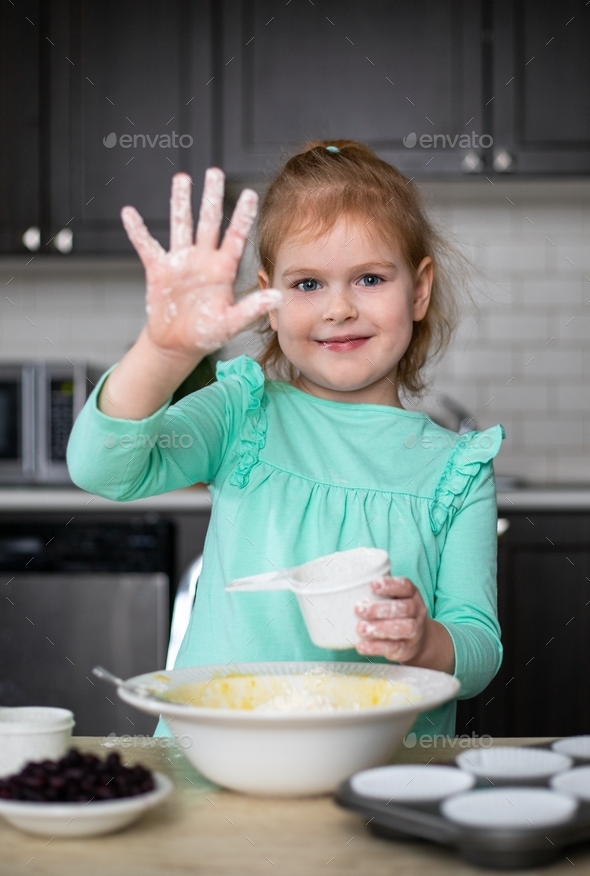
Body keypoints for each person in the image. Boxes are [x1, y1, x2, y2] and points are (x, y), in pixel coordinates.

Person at [67, 140, 505, 738]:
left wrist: (426, 640)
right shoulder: (241, 414)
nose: (338, 309)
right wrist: (164, 351)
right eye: (307, 285)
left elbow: (479, 646)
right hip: (217, 761)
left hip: (382, 774)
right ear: (269, 301)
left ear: (419, 289)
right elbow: (99, 468)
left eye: (370, 278)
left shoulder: (457, 470)